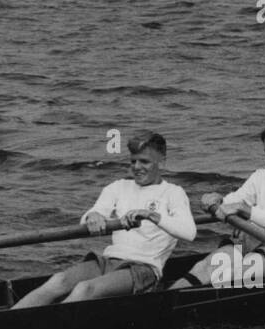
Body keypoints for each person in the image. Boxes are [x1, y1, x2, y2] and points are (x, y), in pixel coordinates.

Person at [12, 132, 195, 308]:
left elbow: (189, 233)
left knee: (85, 289)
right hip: (108, 261)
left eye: (144, 161)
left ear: (161, 162)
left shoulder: (173, 193)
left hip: (143, 268)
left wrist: (151, 215)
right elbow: (94, 213)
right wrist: (94, 216)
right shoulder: (118, 187)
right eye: (133, 161)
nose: (137, 167)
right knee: (58, 281)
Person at [169, 122, 265, 289]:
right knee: (204, 267)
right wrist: (217, 199)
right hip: (252, 240)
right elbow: (234, 201)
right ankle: (164, 303)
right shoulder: (261, 175)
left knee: (238, 274)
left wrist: (243, 209)